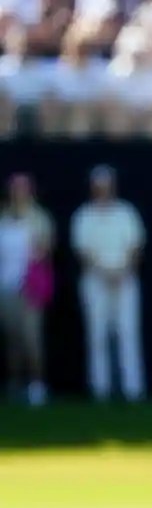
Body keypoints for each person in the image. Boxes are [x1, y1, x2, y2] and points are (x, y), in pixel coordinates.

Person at [71, 165, 148, 402]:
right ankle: (100, 389)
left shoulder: (126, 212)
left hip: (125, 281)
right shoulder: (83, 215)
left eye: (106, 186)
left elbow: (136, 246)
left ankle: (133, 390)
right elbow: (82, 251)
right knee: (97, 336)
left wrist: (122, 273)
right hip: (95, 283)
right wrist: (105, 274)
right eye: (98, 187)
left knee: (128, 334)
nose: (103, 191)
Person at [0, 173, 54, 406]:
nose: (18, 193)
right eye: (15, 188)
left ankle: (37, 386)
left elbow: (46, 249)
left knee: (32, 339)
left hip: (30, 289)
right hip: (5, 288)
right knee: (12, 340)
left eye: (22, 188)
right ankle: (15, 384)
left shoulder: (39, 218)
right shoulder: (2, 218)